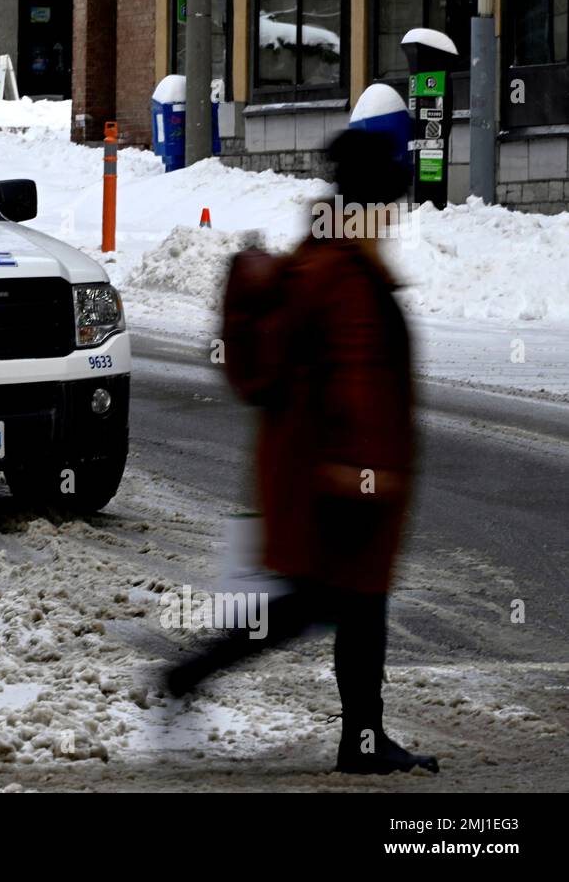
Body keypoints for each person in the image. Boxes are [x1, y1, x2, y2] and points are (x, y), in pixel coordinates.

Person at [164, 129, 439, 776]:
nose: (394, 216)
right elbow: (358, 375)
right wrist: (368, 471)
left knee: (337, 603)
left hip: (320, 466)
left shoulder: (330, 254)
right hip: (340, 473)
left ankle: (359, 739)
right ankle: (191, 675)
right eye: (390, 202)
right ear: (372, 202)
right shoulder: (344, 270)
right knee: (337, 601)